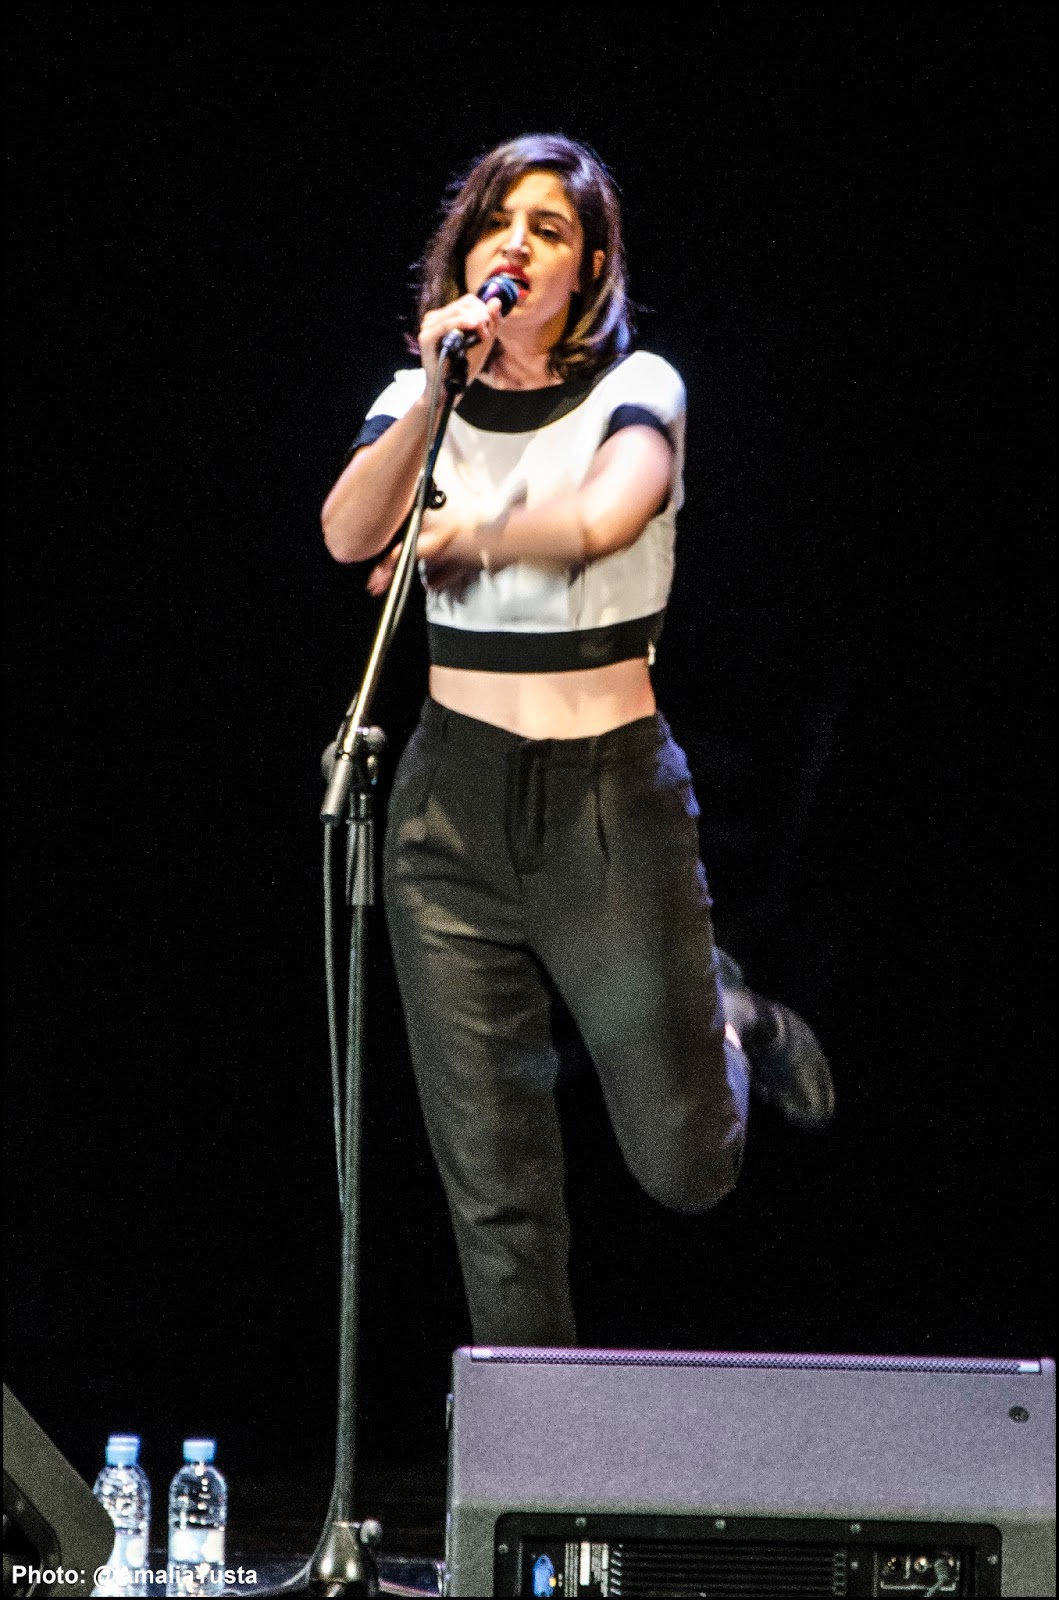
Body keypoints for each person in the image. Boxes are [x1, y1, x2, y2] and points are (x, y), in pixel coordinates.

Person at [321, 134, 833, 1348]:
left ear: (587, 266)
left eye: (547, 229)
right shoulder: (416, 402)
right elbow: (349, 533)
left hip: (610, 804)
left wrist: (473, 537)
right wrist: (439, 392)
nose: (516, 244)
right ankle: (534, 1489)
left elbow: (609, 513)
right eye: (498, 221)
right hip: (449, 809)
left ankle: (730, 1018)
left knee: (683, 1166)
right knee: (496, 1191)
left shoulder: (636, 387)